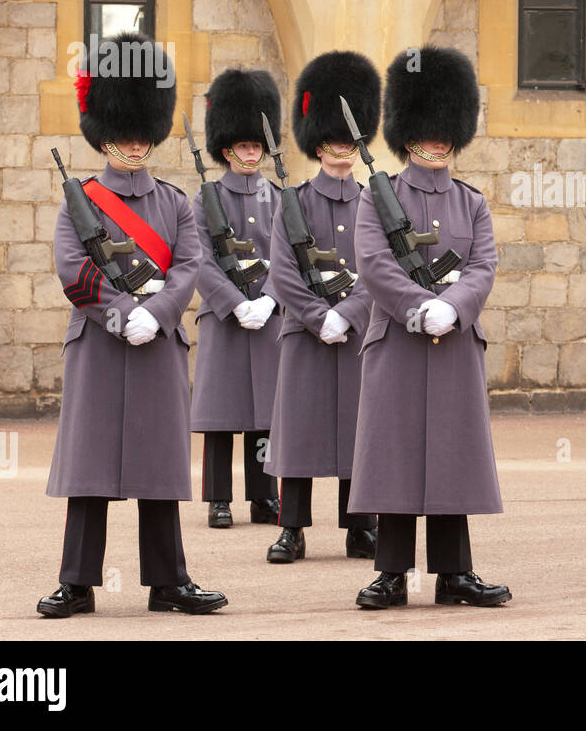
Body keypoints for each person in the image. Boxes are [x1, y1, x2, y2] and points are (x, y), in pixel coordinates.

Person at [38, 31, 226, 617]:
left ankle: (168, 580)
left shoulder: (174, 202)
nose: (133, 142)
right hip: (99, 344)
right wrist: (122, 316)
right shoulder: (82, 200)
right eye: (123, 132)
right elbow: (73, 268)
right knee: (90, 469)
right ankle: (77, 581)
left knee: (159, 466)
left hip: (158, 344)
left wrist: (158, 314)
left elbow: (190, 265)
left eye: (142, 131)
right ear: (104, 133)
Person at [350, 45, 510, 610]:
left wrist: (456, 306)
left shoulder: (472, 203)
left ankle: (455, 573)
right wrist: (419, 307)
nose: (438, 142)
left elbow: (484, 265)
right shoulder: (378, 195)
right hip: (397, 340)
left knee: (451, 455)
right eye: (429, 131)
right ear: (408, 133)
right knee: (394, 455)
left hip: (455, 345)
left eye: (447, 133)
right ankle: (391, 573)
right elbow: (373, 262)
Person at [263, 52, 381, 564]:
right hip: (304, 336)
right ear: (318, 142)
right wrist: (317, 317)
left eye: (348, 139)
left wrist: (349, 314)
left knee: (360, 429)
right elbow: (281, 270)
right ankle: (292, 529)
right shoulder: (297, 202)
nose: (341, 148)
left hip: (357, 335)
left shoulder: (375, 201)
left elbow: (382, 269)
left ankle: (361, 527)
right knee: (299, 432)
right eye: (333, 139)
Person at [190, 68, 282, 530]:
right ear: (227, 150)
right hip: (224, 317)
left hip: (268, 315)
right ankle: (218, 498)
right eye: (244, 146)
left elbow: (287, 258)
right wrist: (232, 302)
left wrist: (266, 300)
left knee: (266, 413)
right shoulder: (205, 200)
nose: (251, 152)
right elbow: (199, 260)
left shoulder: (282, 199)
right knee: (221, 415)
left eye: (255, 145)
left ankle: (265, 496)